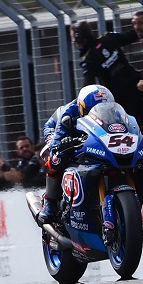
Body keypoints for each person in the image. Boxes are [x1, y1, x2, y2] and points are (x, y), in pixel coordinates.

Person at [36, 84, 117, 226]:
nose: (102, 112)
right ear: (82, 108)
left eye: (106, 109)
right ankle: (50, 202)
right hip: (61, 131)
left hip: (95, 137)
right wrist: (62, 144)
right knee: (56, 159)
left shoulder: (115, 113)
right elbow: (56, 144)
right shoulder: (68, 114)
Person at [71, 20, 143, 129]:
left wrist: (76, 104)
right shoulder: (108, 37)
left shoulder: (89, 60)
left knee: (134, 128)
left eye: (75, 40)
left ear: (80, 39)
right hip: (137, 86)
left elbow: (88, 87)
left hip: (121, 99)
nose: (75, 43)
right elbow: (132, 35)